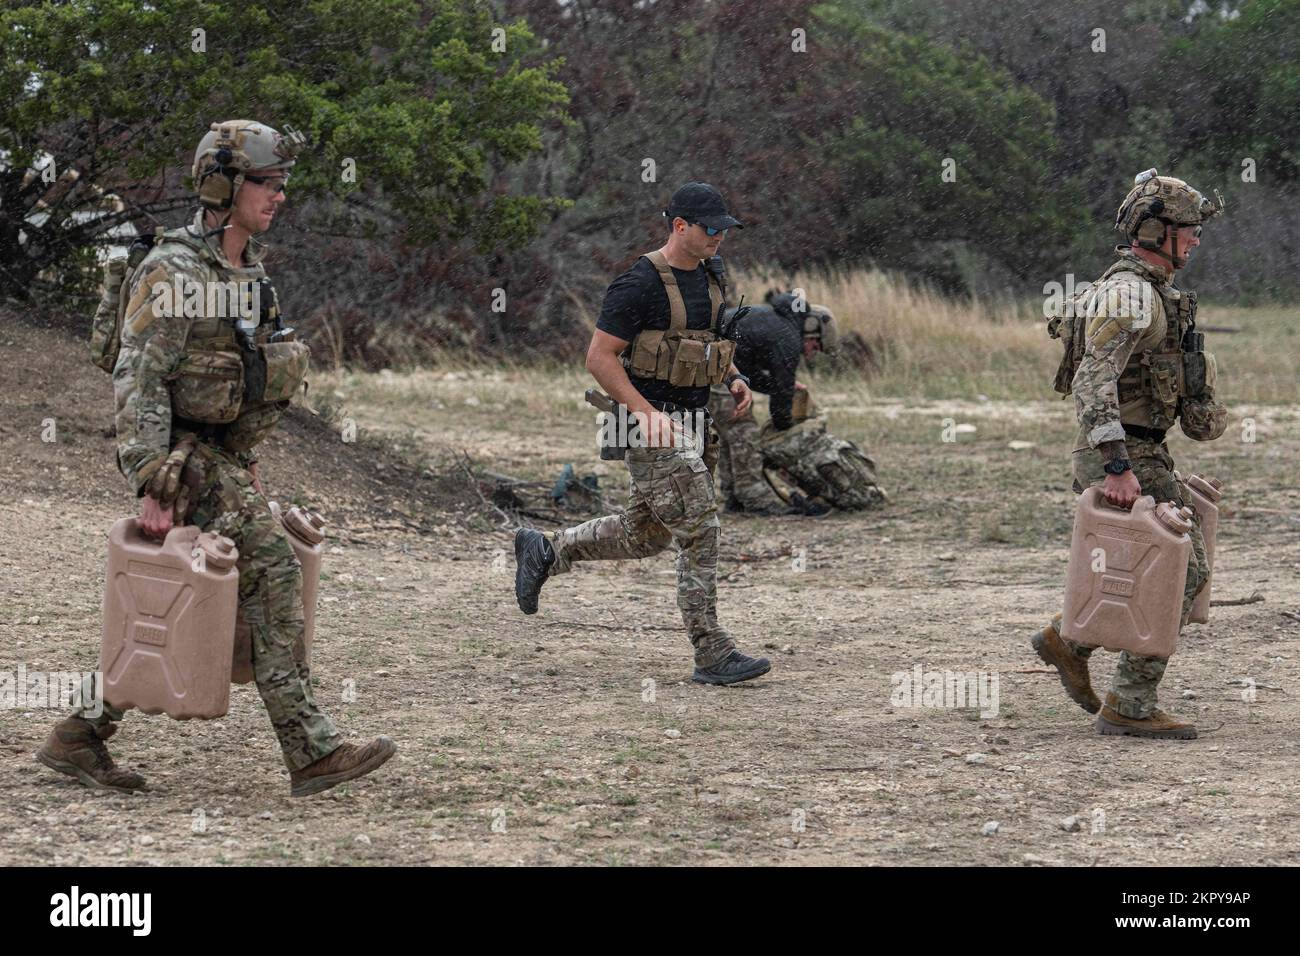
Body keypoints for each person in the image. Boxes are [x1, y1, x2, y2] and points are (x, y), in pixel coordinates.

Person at [37, 120, 396, 796]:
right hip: (180, 460)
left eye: (283, 184)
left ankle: (79, 733)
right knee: (273, 570)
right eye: (267, 182)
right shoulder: (172, 270)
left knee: (202, 597)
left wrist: (246, 457)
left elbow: (248, 372)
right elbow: (138, 378)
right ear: (223, 184)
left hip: (218, 456)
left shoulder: (245, 269)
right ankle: (311, 751)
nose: (279, 196)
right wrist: (150, 477)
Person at [513, 182, 772, 686]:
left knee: (645, 535)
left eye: (726, 229)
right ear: (680, 226)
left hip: (695, 420)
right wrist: (645, 412)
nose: (720, 237)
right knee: (700, 526)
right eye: (711, 228)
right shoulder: (639, 283)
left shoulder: (713, 273)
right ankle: (712, 651)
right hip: (646, 424)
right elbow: (599, 358)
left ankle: (547, 550)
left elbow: (708, 341)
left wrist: (734, 376)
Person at [1032, 169, 1227, 740]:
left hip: (1141, 452)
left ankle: (1069, 641)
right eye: (1188, 230)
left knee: (1147, 568)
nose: (1195, 240)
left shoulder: (1149, 291)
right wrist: (1117, 465)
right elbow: (1095, 381)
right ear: (1155, 230)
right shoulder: (1129, 294)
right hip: (1122, 457)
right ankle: (1129, 702)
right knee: (1181, 569)